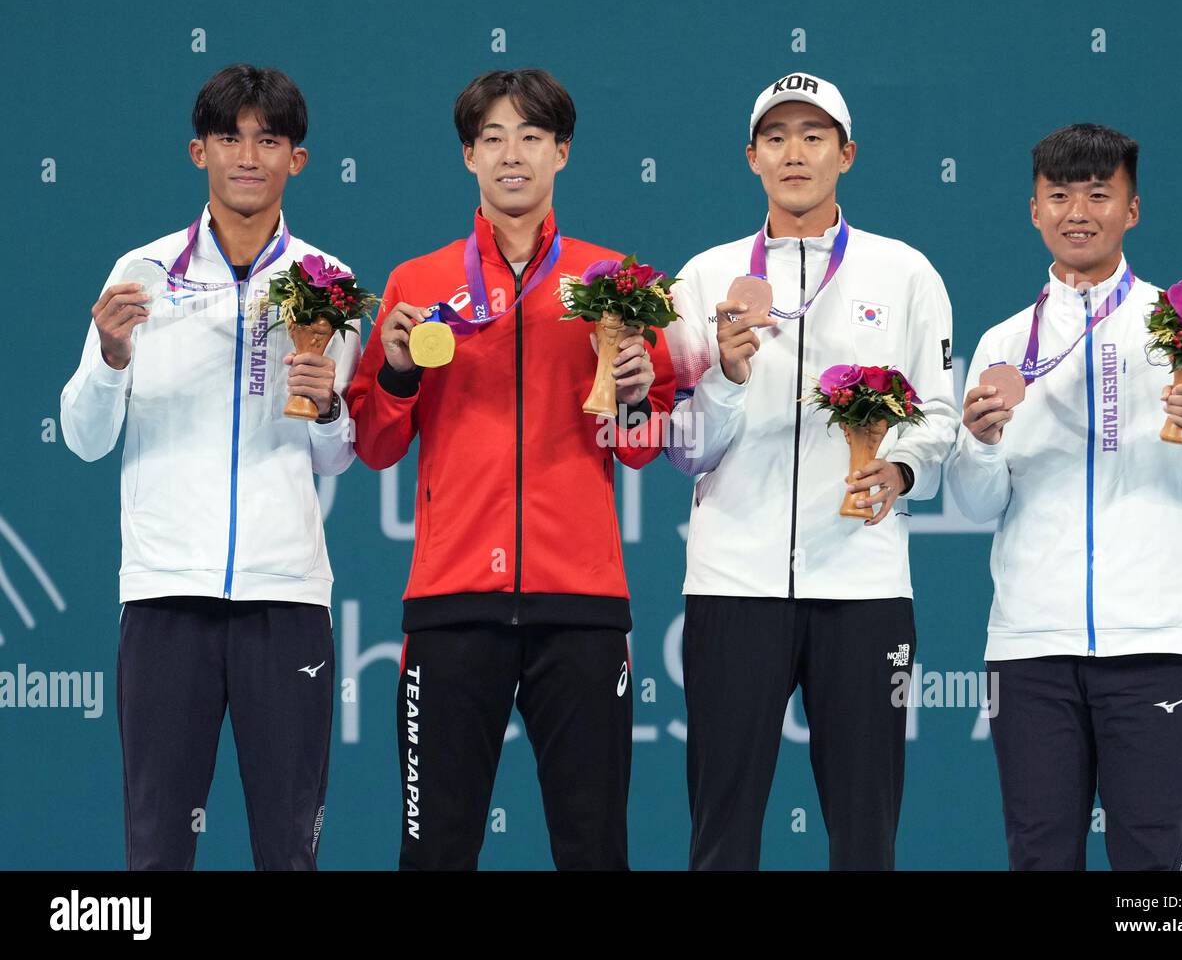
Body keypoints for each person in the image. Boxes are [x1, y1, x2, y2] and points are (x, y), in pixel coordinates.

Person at [345, 68, 676, 870]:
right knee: (433, 854)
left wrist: (634, 393)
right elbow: (377, 444)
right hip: (452, 603)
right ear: (468, 158)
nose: (512, 155)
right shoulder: (418, 286)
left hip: (582, 604)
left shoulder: (615, 285)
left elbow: (641, 443)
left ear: (562, 151)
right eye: (491, 138)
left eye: (531, 137)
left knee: (595, 850)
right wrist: (393, 371)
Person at [60, 63, 358, 870]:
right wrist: (113, 358)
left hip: (285, 597)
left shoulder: (327, 285)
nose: (248, 155)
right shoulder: (141, 273)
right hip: (164, 596)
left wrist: (328, 403)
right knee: (156, 850)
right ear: (199, 152)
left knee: (288, 850)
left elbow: (338, 456)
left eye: (269, 139)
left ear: (297, 159)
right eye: (230, 137)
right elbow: (84, 437)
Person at [945, 123, 1182, 870]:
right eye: (1059, 195)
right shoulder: (1001, 344)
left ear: (1133, 209)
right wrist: (984, 444)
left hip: (1153, 642)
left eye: (1098, 193)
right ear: (1034, 211)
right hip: (1031, 648)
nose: (1077, 211)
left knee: (1152, 861)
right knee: (1040, 856)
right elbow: (972, 502)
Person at [663, 72, 959, 869]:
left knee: (866, 837)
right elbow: (685, 446)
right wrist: (723, 375)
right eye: (777, 138)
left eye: (814, 136)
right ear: (751, 157)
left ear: (847, 153)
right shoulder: (702, 277)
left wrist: (896, 472)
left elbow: (938, 415)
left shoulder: (904, 274)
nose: (795, 153)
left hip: (863, 586)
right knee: (721, 836)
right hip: (734, 585)